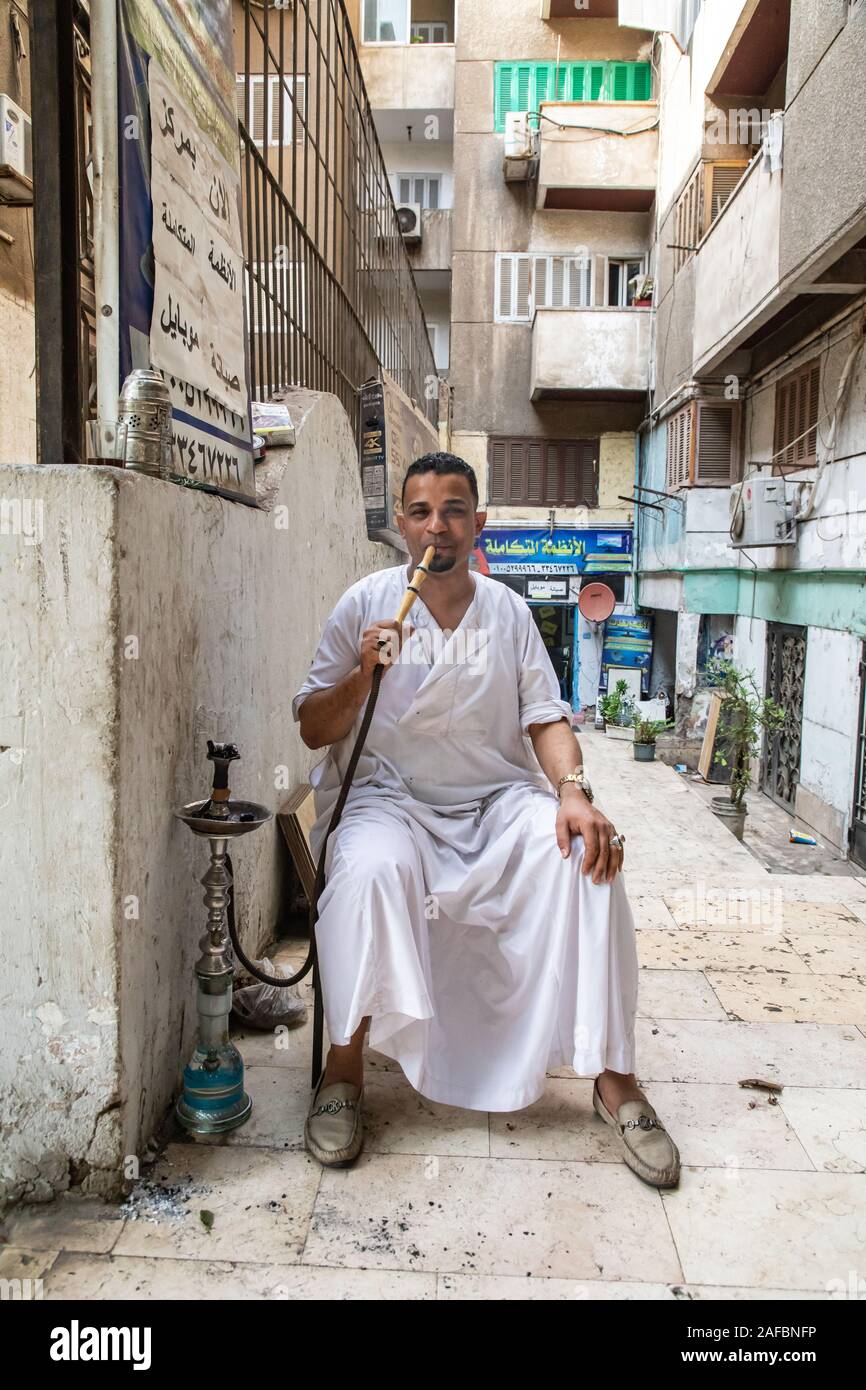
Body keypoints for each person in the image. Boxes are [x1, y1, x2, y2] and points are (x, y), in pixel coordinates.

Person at [292, 452, 680, 1187]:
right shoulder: (362, 604)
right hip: (390, 804)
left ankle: (613, 1077)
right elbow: (314, 727)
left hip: (497, 807)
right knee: (369, 869)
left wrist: (573, 789)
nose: (437, 526)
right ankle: (344, 1068)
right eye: (421, 512)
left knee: (587, 858)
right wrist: (361, 674)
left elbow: (545, 716)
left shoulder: (507, 612)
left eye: (454, 510)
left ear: (479, 524)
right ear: (402, 525)